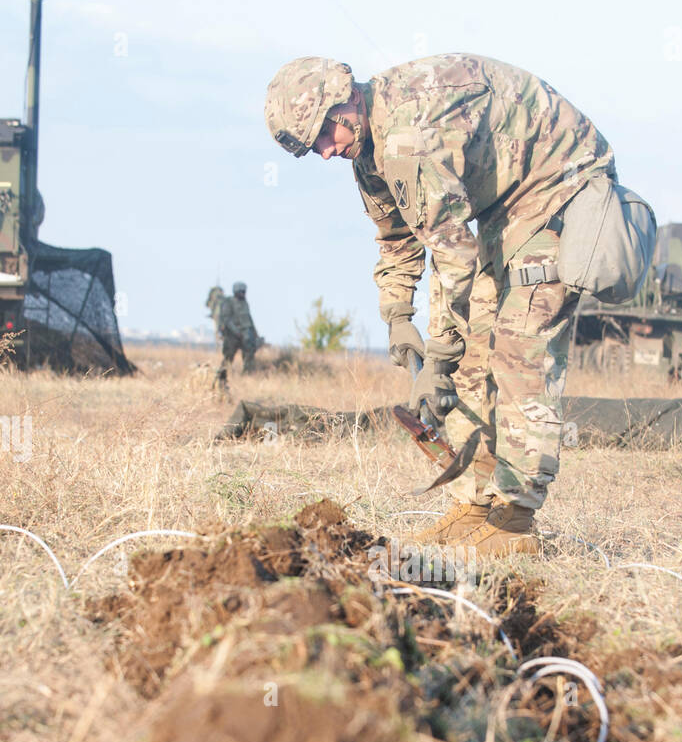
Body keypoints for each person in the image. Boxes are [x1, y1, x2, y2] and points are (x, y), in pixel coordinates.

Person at [265, 54, 652, 554]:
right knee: (470, 356)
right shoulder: (367, 151)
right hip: (497, 206)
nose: (323, 153)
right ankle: (474, 505)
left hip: (558, 184)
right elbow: (398, 239)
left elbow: (453, 254)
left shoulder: (409, 133)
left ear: (346, 101)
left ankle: (514, 519)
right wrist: (400, 319)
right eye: (310, 148)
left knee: (517, 348)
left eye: (322, 136)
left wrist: (439, 359)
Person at [214, 282, 259, 396]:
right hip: (232, 336)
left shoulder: (244, 303)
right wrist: (236, 332)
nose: (244, 294)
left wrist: (254, 332)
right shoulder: (229, 303)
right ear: (236, 292)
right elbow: (227, 320)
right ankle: (221, 378)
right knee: (228, 358)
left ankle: (247, 376)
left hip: (245, 335)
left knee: (249, 355)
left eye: (244, 291)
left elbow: (249, 318)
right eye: (242, 292)